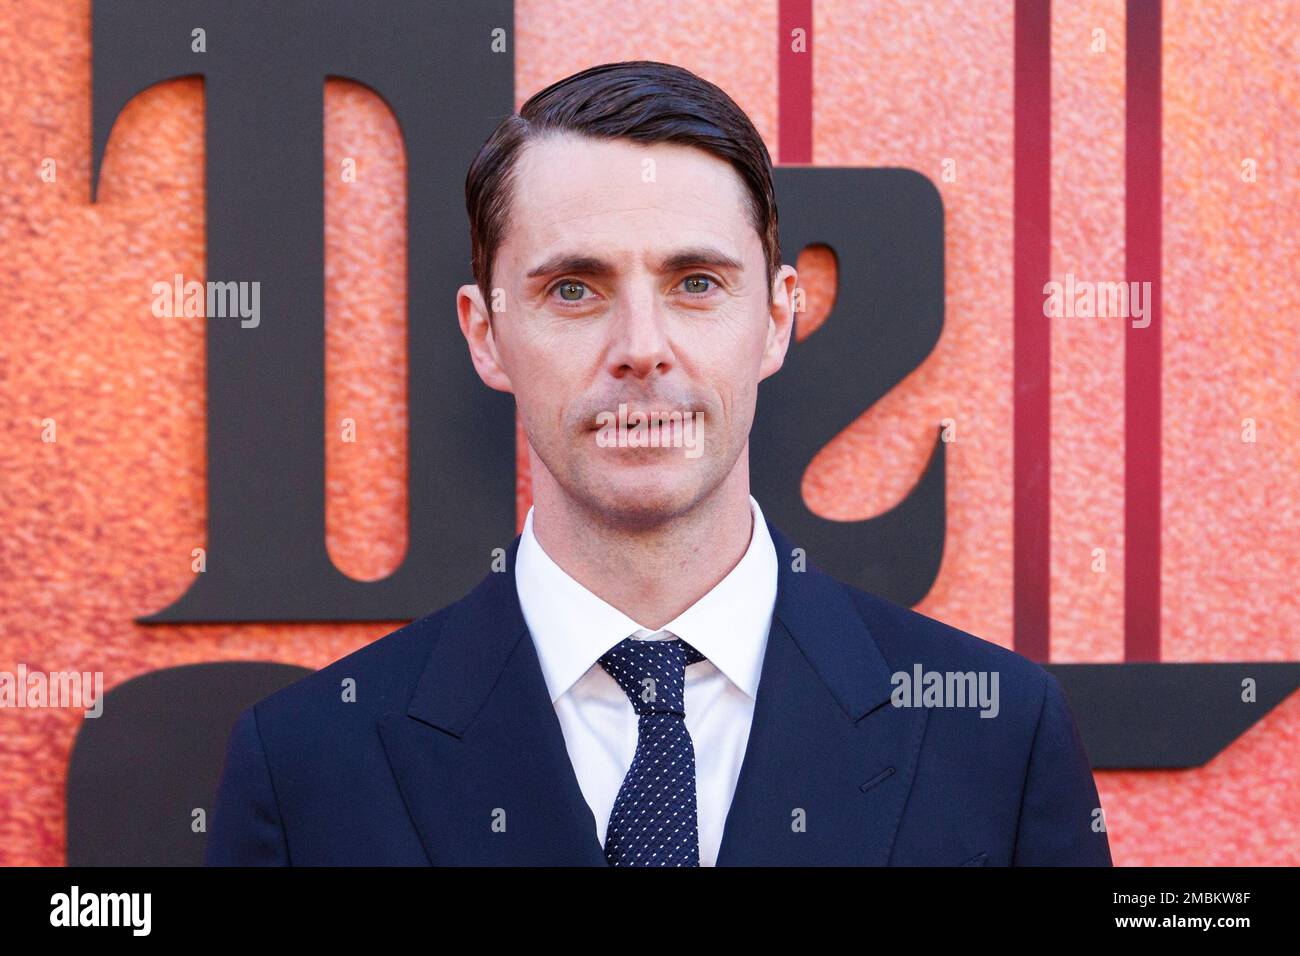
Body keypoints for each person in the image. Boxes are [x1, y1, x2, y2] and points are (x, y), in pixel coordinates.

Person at [204, 60, 1112, 866]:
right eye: (573, 288)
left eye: (697, 284)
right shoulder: (308, 768)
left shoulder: (998, 737)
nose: (642, 347)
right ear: (486, 335)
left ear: (777, 318)